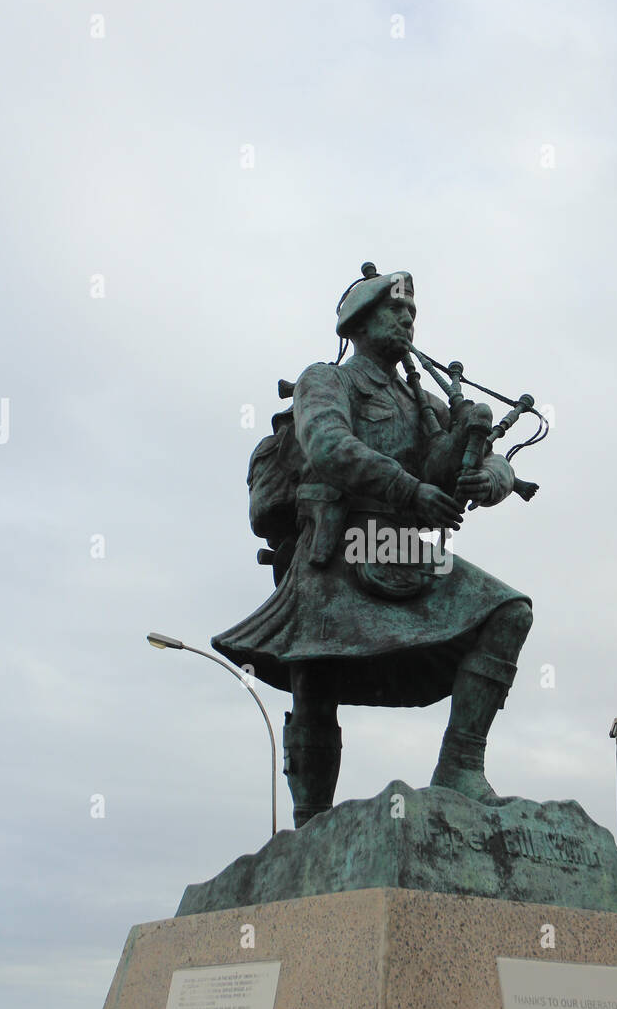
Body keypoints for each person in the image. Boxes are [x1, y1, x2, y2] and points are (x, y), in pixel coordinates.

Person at [212, 264, 533, 827]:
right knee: (314, 677)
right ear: (359, 323)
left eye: (411, 312)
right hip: (336, 546)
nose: (407, 320)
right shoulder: (326, 381)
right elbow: (329, 444)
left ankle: (460, 767)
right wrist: (409, 488)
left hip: (400, 545)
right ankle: (310, 823)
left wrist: (491, 478)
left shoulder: (422, 401)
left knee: (507, 611)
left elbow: (482, 461)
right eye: (394, 310)